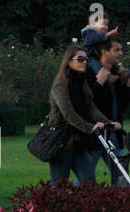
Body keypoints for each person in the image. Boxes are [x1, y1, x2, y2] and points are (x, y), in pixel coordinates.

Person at [47, 45, 120, 185]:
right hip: (61, 143)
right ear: (69, 62)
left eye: (86, 59)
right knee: (59, 185)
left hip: (79, 142)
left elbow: (91, 109)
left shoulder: (81, 84)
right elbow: (68, 114)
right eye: (80, 59)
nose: (84, 62)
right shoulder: (60, 85)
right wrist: (90, 127)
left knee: (89, 182)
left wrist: (108, 123)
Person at [86, 38, 130, 186]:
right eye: (116, 50)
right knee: (85, 179)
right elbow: (87, 104)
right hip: (95, 136)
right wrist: (99, 83)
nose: (121, 53)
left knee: (122, 179)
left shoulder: (116, 75)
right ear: (104, 52)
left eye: (121, 50)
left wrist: (127, 85)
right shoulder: (89, 73)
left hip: (114, 134)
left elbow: (122, 107)